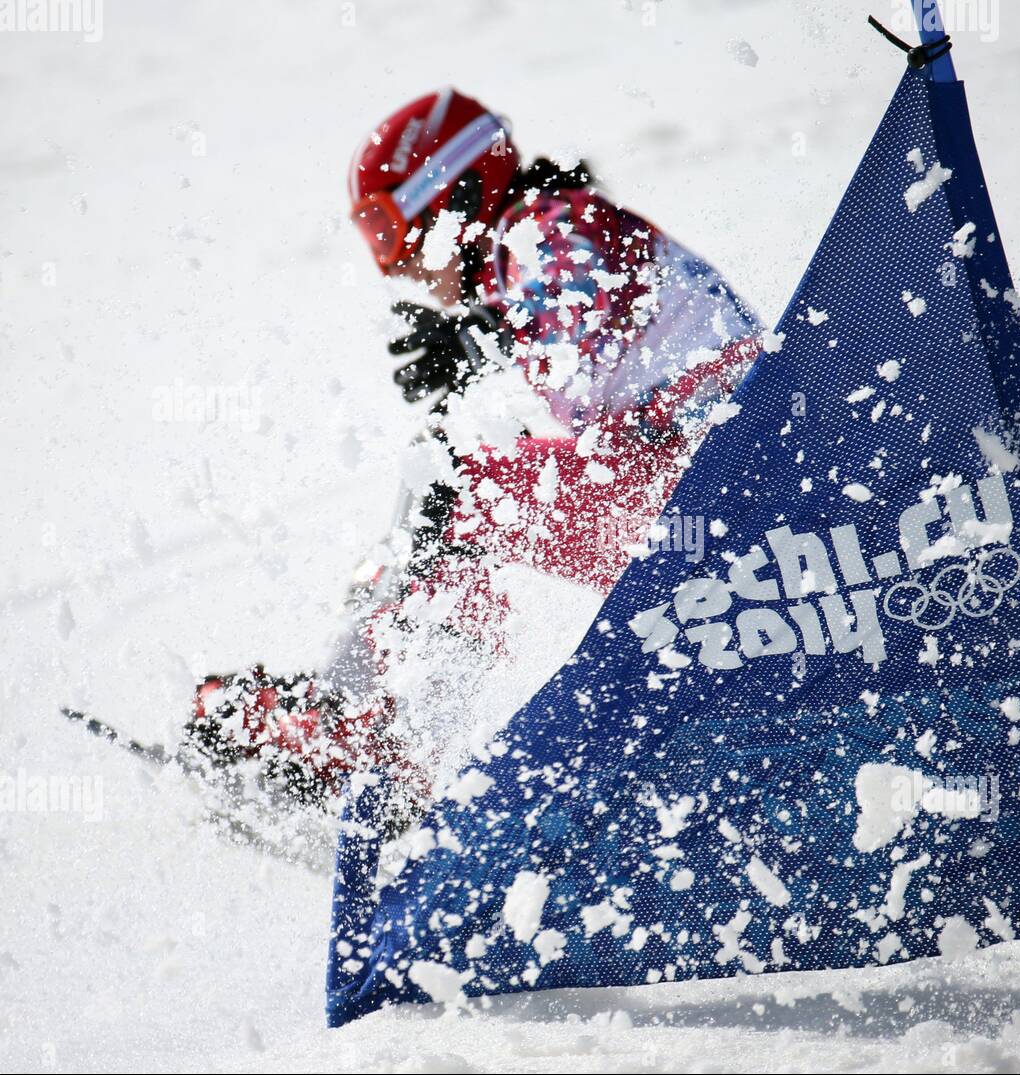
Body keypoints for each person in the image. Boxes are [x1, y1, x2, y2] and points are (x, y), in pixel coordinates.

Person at [183, 89, 762, 834]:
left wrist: (474, 338)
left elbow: (576, 305)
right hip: (713, 500)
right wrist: (482, 336)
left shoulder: (555, 224)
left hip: (723, 502)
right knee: (464, 479)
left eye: (387, 228)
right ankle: (391, 740)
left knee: (453, 484)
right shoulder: (530, 243)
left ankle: (369, 736)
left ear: (448, 194)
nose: (391, 264)